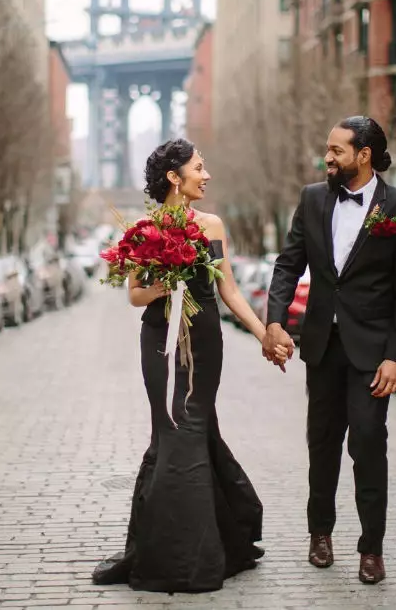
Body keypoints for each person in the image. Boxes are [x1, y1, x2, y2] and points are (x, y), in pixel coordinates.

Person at [92, 138, 288, 593]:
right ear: (174, 179)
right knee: (172, 431)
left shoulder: (213, 224)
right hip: (159, 340)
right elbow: (135, 295)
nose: (207, 175)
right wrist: (168, 281)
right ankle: (178, 554)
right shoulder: (142, 228)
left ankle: (201, 548)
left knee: (192, 429)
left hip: (203, 342)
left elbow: (231, 291)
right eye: (200, 168)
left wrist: (265, 337)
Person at [262, 116, 396, 585]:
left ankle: (371, 548)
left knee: (369, 443)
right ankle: (320, 533)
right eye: (327, 150)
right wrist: (275, 321)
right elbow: (288, 264)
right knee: (322, 444)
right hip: (322, 347)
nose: (327, 158)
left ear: (364, 154)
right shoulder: (313, 198)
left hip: (374, 352)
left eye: (336, 151)